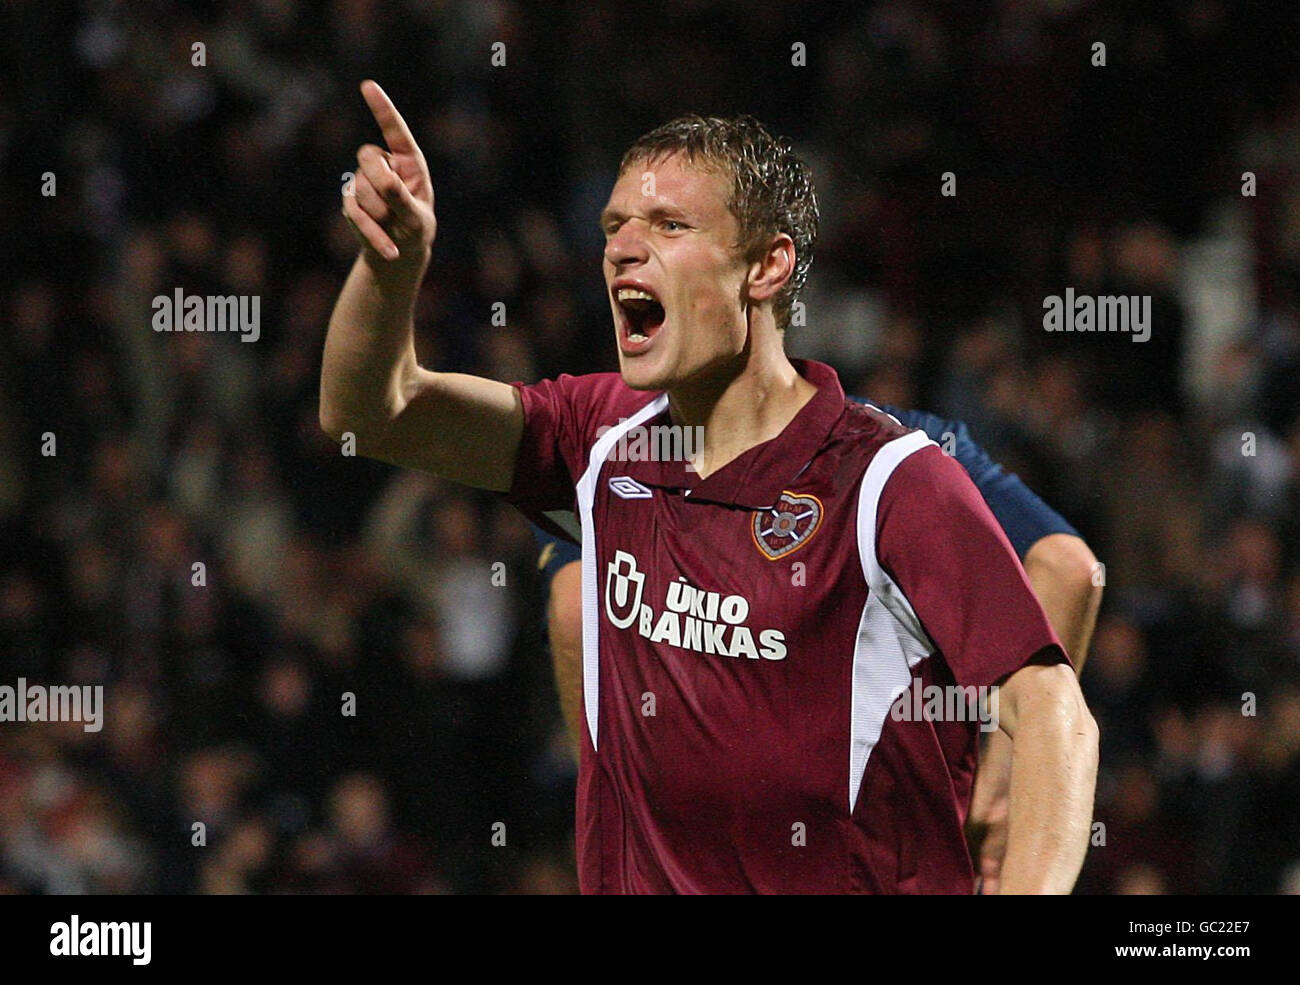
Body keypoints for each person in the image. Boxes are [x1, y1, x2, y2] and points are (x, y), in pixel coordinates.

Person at [321, 80, 1099, 893]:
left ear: (766, 266)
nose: (623, 247)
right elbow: (373, 414)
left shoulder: (889, 483)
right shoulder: (598, 437)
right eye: (615, 225)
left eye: (669, 224)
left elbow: (1055, 716)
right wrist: (389, 266)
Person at [534, 406, 1103, 895]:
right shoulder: (907, 441)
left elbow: (572, 609)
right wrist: (1000, 794)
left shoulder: (618, 444)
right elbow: (1070, 570)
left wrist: (625, 808)